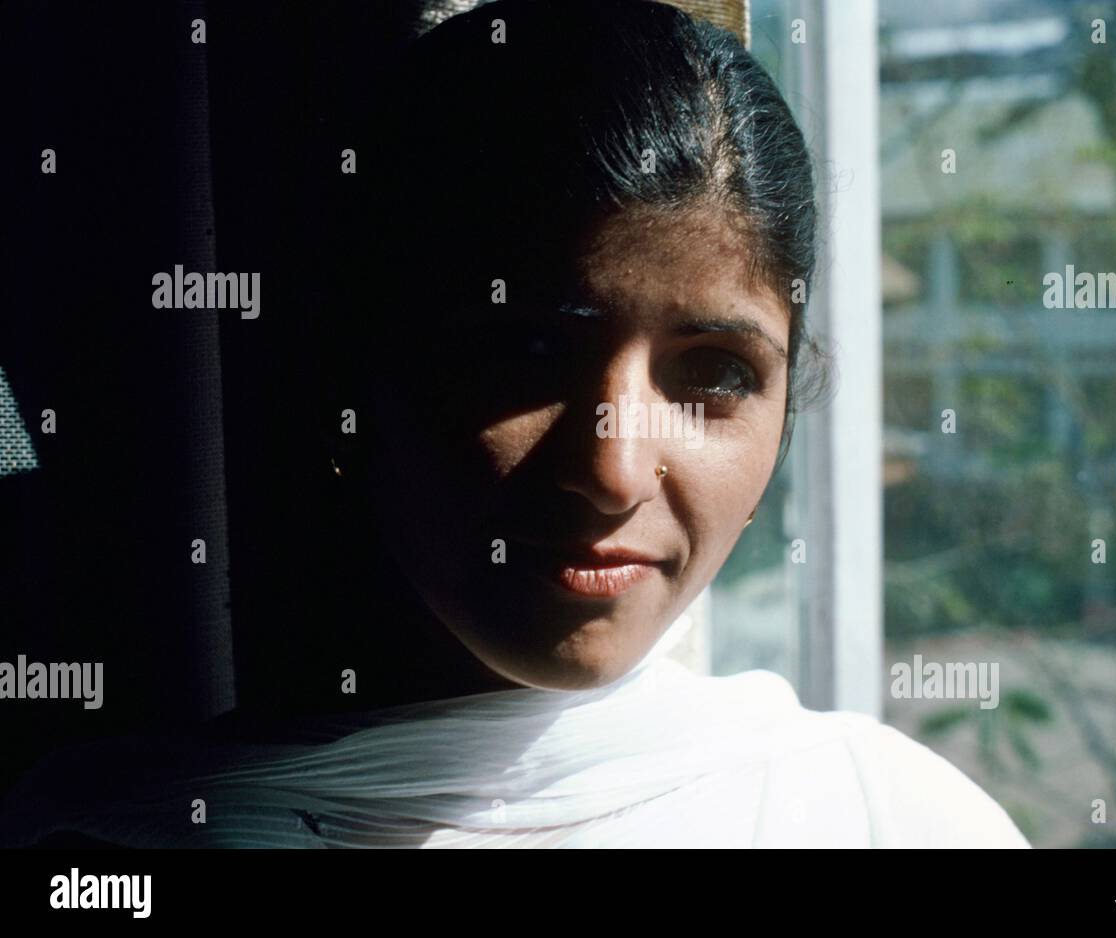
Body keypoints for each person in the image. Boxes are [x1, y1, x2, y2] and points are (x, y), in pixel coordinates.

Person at [0, 0, 1029, 848]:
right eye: (527, 352)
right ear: (355, 374)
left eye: (713, 374)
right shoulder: (107, 846)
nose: (613, 466)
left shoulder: (881, 818)